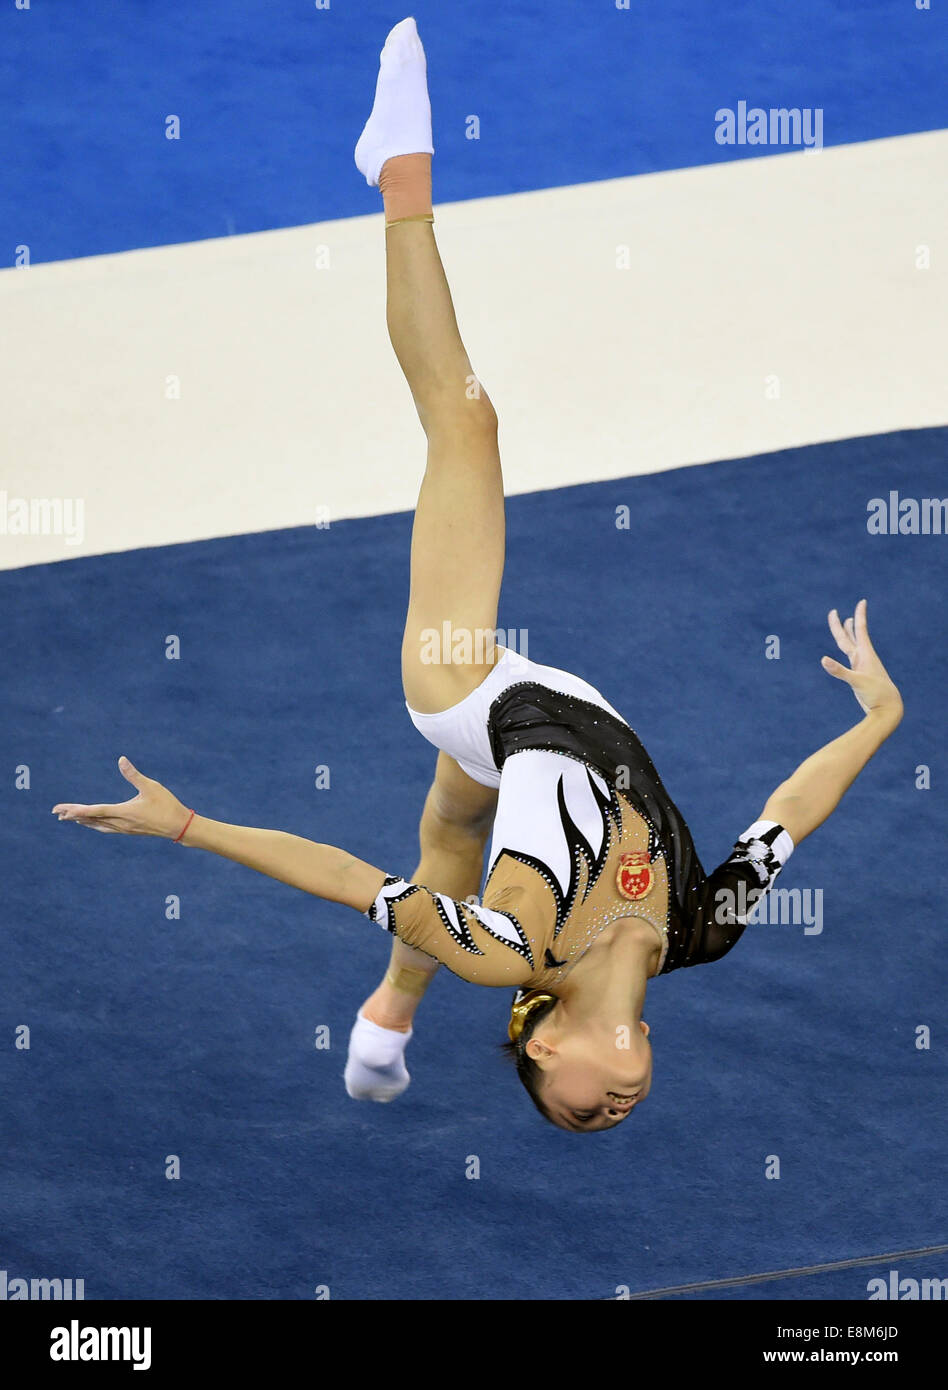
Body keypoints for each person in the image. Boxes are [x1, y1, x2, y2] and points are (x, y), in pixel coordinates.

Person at [52, 18, 904, 1133]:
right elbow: (794, 811)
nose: (606, 1112)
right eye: (608, 1117)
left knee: (466, 425)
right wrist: (881, 716)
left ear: (545, 1040)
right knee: (457, 825)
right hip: (509, 753)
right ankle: (382, 1030)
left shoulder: (508, 954)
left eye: (571, 1106)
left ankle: (398, 172)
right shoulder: (706, 925)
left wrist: (187, 828)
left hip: (470, 692)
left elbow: (350, 880)